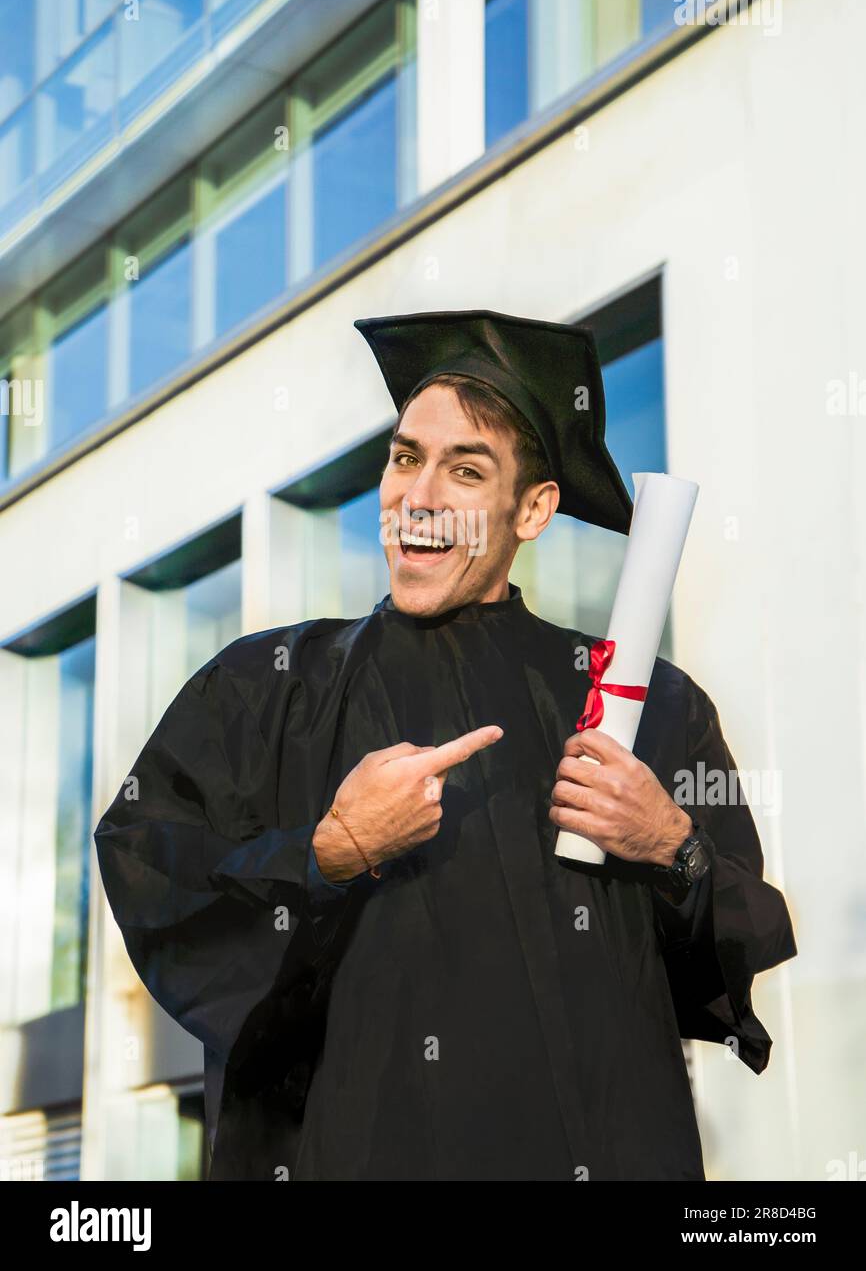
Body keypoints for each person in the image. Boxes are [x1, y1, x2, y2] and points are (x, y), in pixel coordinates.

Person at [93, 309, 797, 1181]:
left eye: (465, 470)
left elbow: (730, 961)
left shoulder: (644, 709)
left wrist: (671, 848)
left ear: (534, 509)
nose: (416, 496)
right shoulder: (268, 689)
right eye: (404, 457)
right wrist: (332, 851)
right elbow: (148, 865)